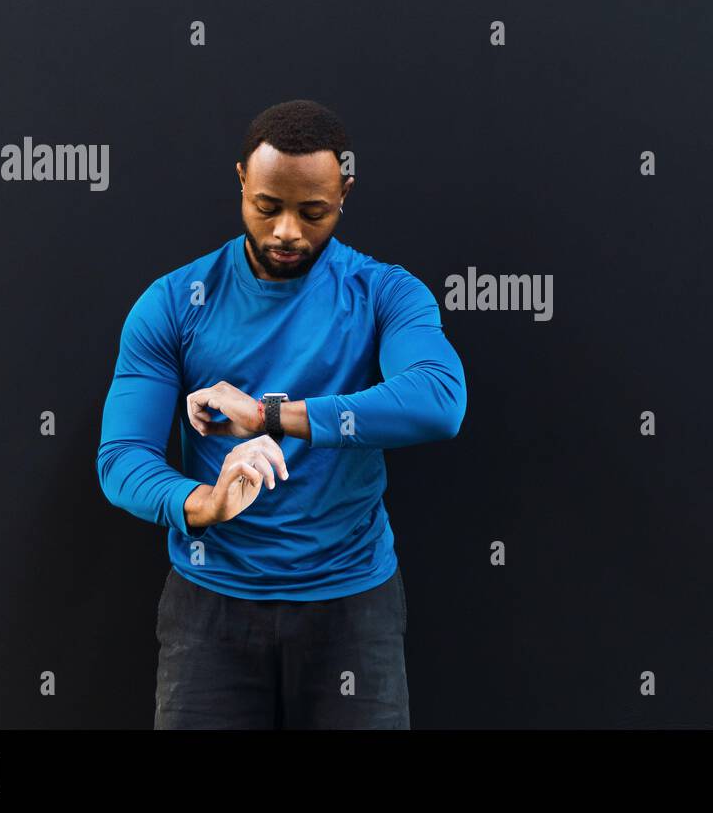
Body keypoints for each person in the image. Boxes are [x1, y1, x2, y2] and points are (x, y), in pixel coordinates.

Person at [95, 99, 466, 729]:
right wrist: (201, 503)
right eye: (267, 206)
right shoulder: (174, 302)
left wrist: (270, 415)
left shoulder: (384, 293)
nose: (287, 232)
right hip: (208, 605)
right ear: (241, 179)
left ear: (345, 193)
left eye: (312, 211)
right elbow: (121, 459)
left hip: (352, 605)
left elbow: (439, 400)